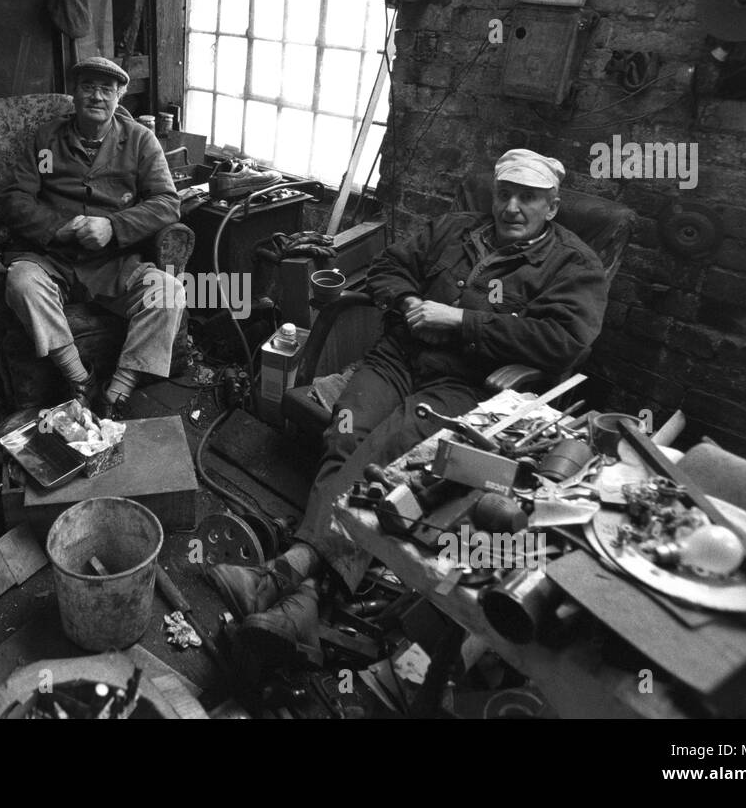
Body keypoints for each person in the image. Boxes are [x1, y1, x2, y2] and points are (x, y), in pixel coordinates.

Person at [208, 149, 610, 667]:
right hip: (395, 357)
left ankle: (285, 577)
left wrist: (459, 320)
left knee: (382, 458)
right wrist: (405, 303)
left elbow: (563, 343)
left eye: (527, 198)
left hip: (462, 385)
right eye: (504, 193)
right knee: (345, 434)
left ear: (551, 207)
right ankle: (305, 602)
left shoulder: (574, 265)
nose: (511, 207)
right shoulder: (454, 228)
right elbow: (389, 267)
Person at [1, 57, 184, 415]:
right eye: (88, 87)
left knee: (169, 292)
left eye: (106, 90)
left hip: (115, 262)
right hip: (53, 258)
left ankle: (116, 392)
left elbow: (167, 202)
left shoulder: (140, 141)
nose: (96, 97)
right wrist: (59, 227)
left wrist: (113, 227)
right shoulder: (46, 139)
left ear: (120, 97)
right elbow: (14, 199)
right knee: (21, 283)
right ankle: (80, 380)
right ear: (75, 93)